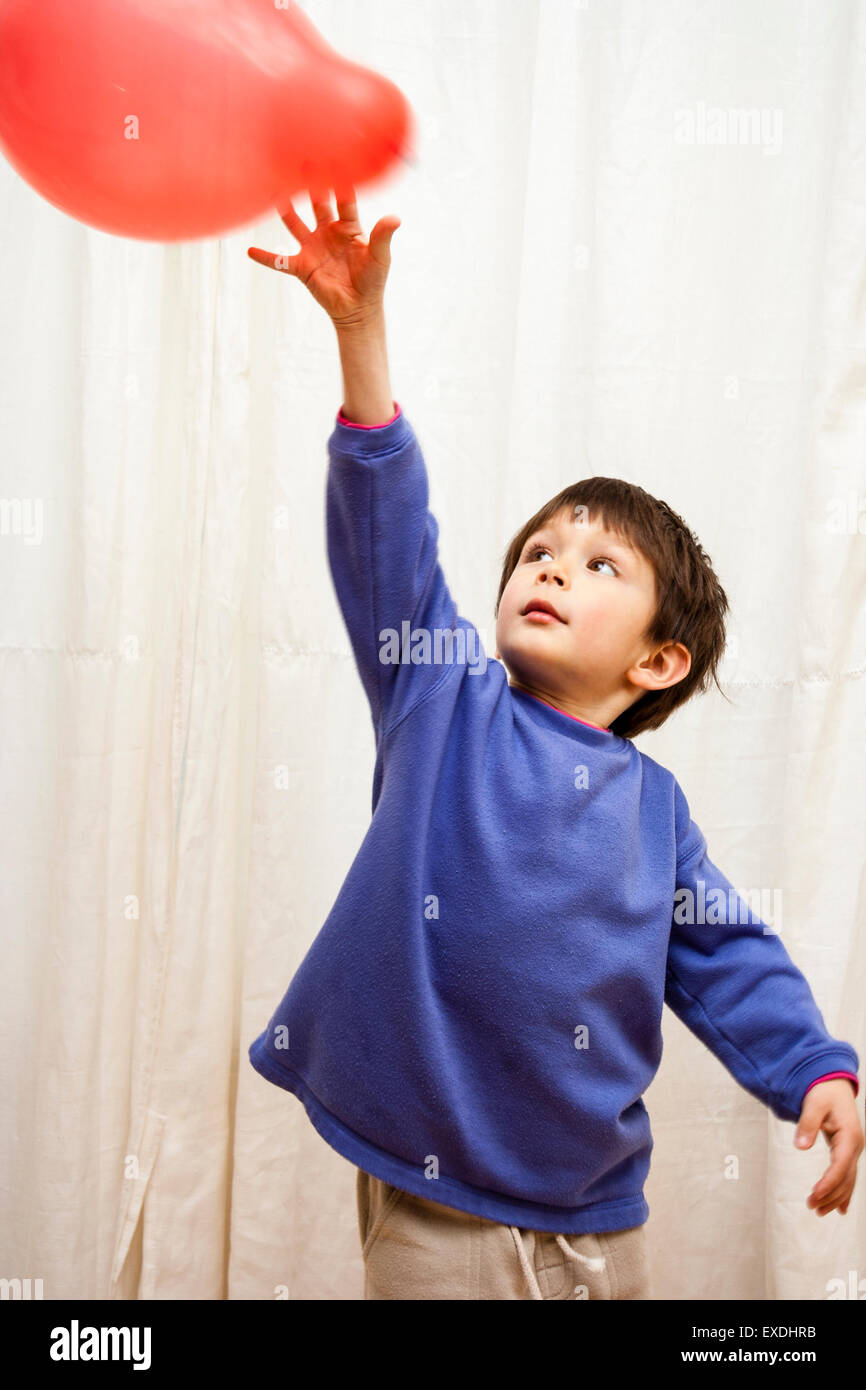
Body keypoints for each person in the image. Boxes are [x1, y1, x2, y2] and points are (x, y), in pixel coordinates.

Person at [246, 188, 863, 1300]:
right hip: (438, 1203)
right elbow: (387, 533)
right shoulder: (442, 701)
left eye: (596, 565)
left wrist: (812, 1065)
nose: (549, 567)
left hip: (598, 1207)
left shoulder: (654, 812)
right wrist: (358, 332)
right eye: (537, 550)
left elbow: (722, 952)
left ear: (656, 662)